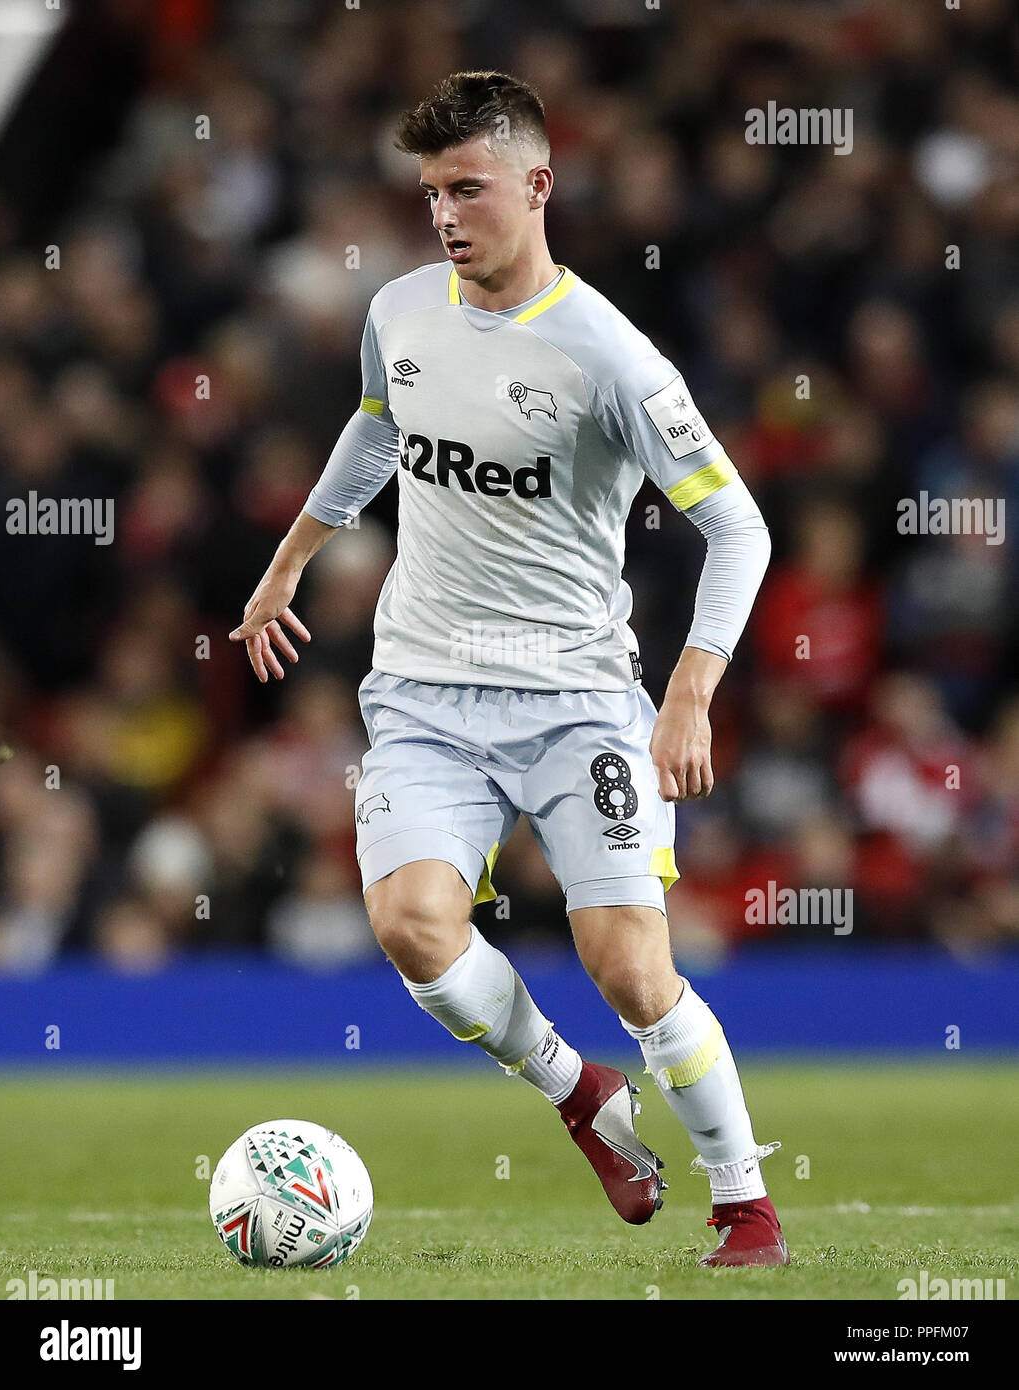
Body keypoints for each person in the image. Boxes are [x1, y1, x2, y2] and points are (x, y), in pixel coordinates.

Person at [230, 71, 787, 1267]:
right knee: (414, 924)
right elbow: (380, 424)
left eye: (467, 188)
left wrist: (689, 687)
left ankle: (745, 1199)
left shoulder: (610, 357)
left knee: (632, 967)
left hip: (579, 699)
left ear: (538, 185)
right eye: (431, 192)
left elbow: (739, 527)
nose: (444, 214)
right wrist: (289, 564)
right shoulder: (400, 312)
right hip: (424, 689)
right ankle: (581, 1095)